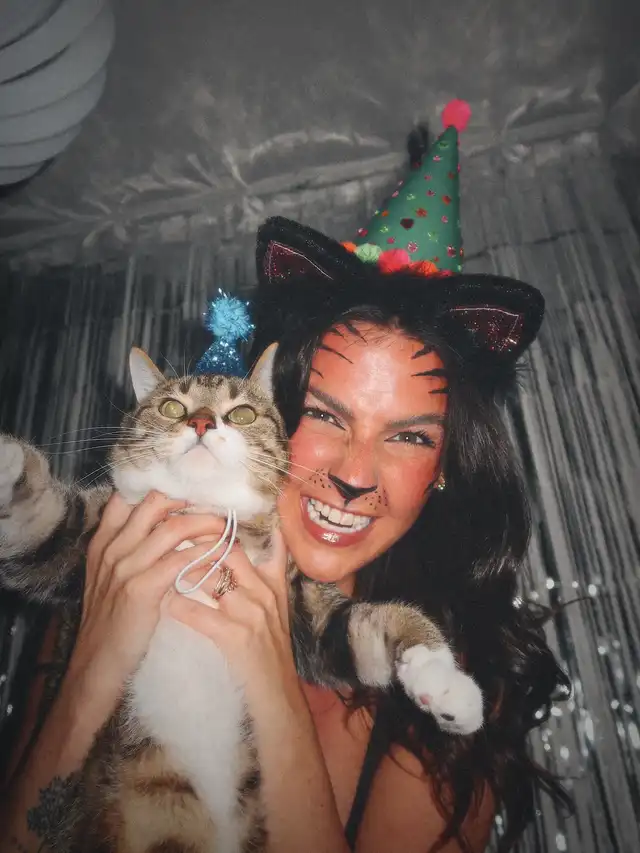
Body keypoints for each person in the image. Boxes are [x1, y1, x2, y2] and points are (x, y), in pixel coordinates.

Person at [0, 102, 570, 853]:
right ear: (271, 414)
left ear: (444, 470)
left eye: (407, 435)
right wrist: (95, 664)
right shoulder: (111, 568)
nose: (354, 476)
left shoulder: (449, 699)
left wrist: (270, 678)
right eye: (327, 416)